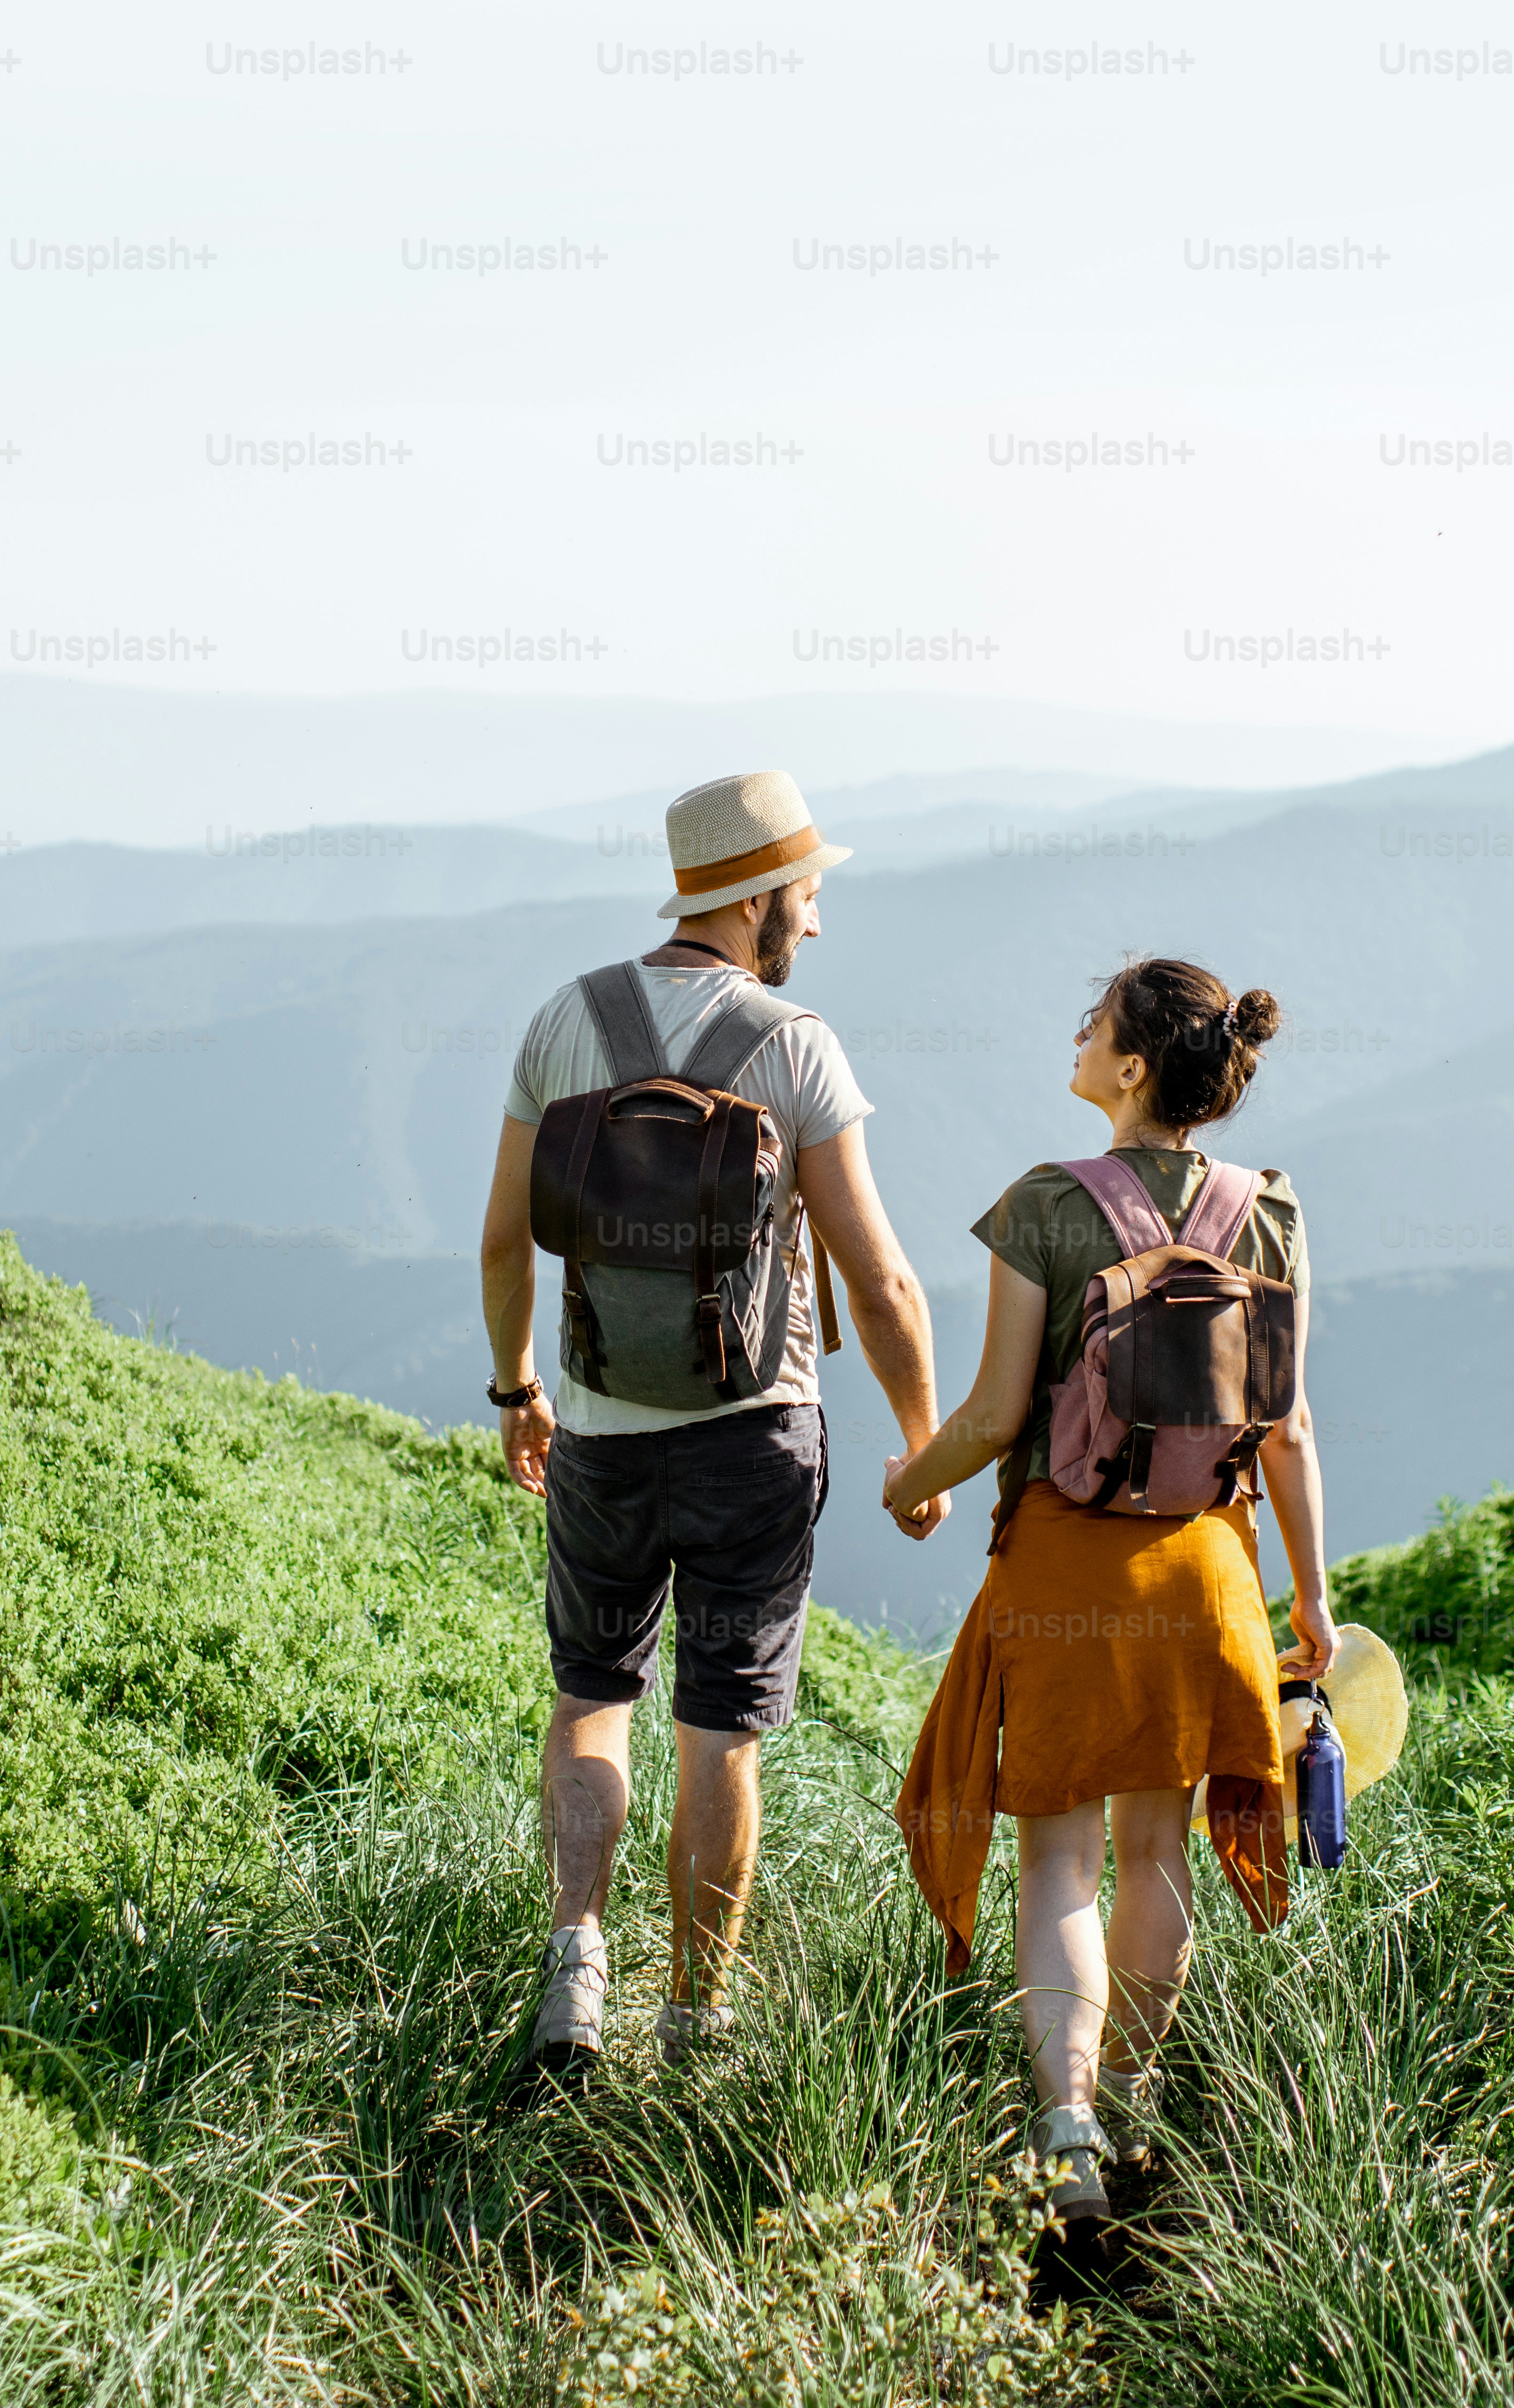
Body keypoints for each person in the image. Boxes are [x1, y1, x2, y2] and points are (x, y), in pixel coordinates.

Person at [478, 771, 943, 2070]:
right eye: (806, 891)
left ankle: (575, 1963)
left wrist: (519, 1388)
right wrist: (920, 1440)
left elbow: (503, 1241)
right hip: (753, 1430)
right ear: (754, 898)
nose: (815, 917)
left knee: (589, 1699)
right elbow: (879, 1274)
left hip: (601, 1430)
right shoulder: (792, 1042)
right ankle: (695, 2015)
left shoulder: (563, 1021)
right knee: (720, 1728)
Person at [881, 957, 1335, 2223]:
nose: (1075, 1035)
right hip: (1207, 1564)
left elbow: (993, 1412)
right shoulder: (1271, 1211)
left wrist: (901, 1480)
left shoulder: (1041, 1203)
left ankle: (1066, 2121)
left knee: (1058, 1862)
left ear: (1130, 1067)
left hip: (1067, 1556)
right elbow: (1287, 1426)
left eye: (1092, 1023)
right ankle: (1130, 2098)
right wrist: (1309, 1597)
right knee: (1157, 1849)